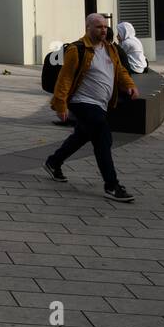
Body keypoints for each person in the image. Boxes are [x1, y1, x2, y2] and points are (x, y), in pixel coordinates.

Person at [43, 12, 140, 202]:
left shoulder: (110, 49)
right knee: (103, 137)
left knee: (82, 135)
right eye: (99, 27)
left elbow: (119, 70)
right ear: (88, 28)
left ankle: (54, 162)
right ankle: (111, 185)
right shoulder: (77, 49)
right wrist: (60, 104)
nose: (103, 30)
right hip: (82, 102)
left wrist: (129, 85)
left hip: (101, 104)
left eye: (105, 27)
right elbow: (65, 78)